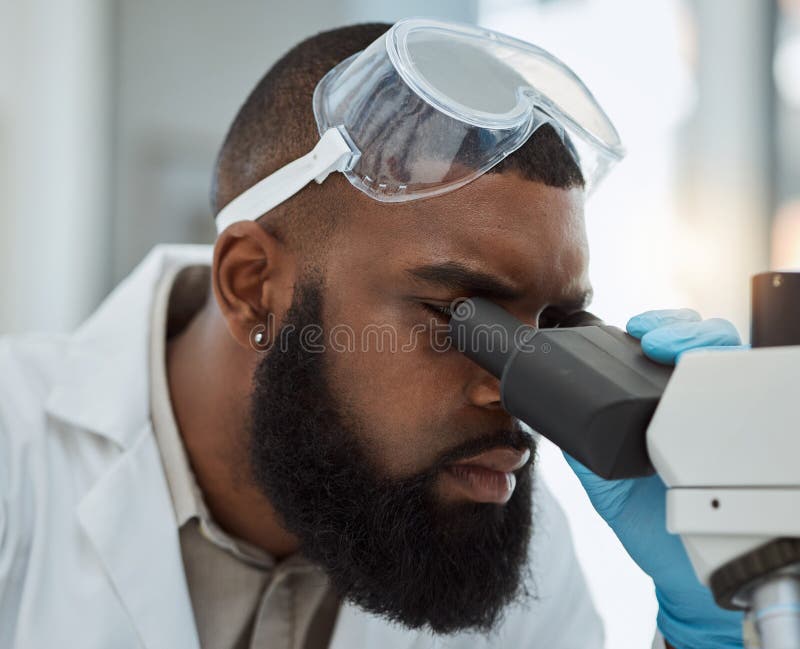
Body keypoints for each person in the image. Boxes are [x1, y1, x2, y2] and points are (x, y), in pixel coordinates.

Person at [0, 19, 745, 649]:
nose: (517, 389)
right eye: (466, 317)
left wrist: (726, 611)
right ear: (254, 288)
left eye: (557, 327)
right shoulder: (18, 459)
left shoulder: (487, 528)